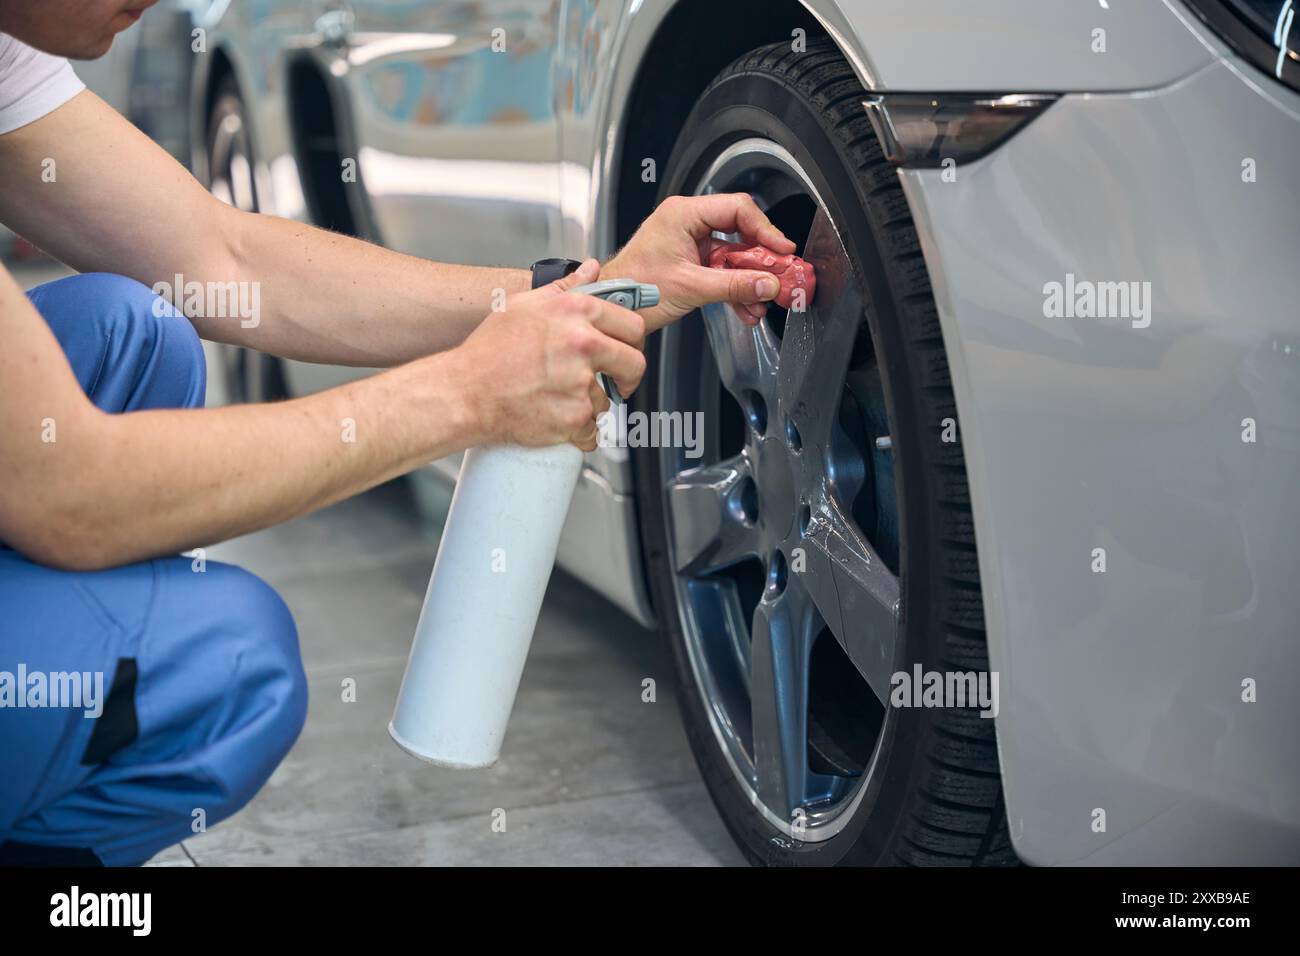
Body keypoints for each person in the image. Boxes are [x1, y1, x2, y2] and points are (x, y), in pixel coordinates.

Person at [0, 0, 796, 865]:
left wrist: (585, 292)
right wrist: (465, 396)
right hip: (62, 491)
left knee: (131, 328)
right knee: (225, 667)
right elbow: (69, 492)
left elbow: (218, 257)